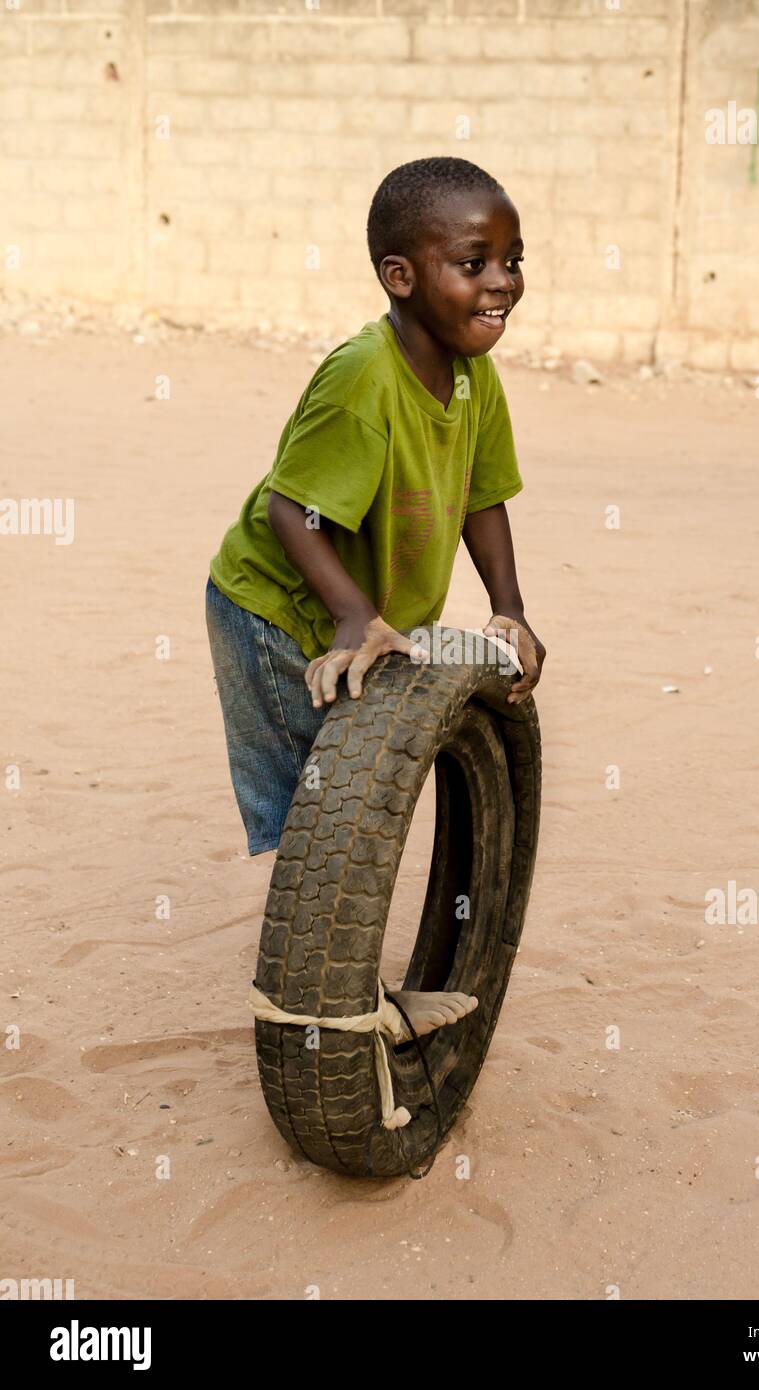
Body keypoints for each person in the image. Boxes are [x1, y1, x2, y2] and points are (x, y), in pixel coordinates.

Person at [206, 156, 545, 1040]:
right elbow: (291, 506)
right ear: (400, 275)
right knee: (329, 804)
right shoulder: (364, 376)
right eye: (474, 263)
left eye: (515, 259)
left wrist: (507, 606)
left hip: (365, 612)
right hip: (279, 608)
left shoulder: (474, 376)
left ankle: (339, 972)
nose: (502, 282)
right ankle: (333, 1000)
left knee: (364, 784)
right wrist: (356, 615)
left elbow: (482, 490)